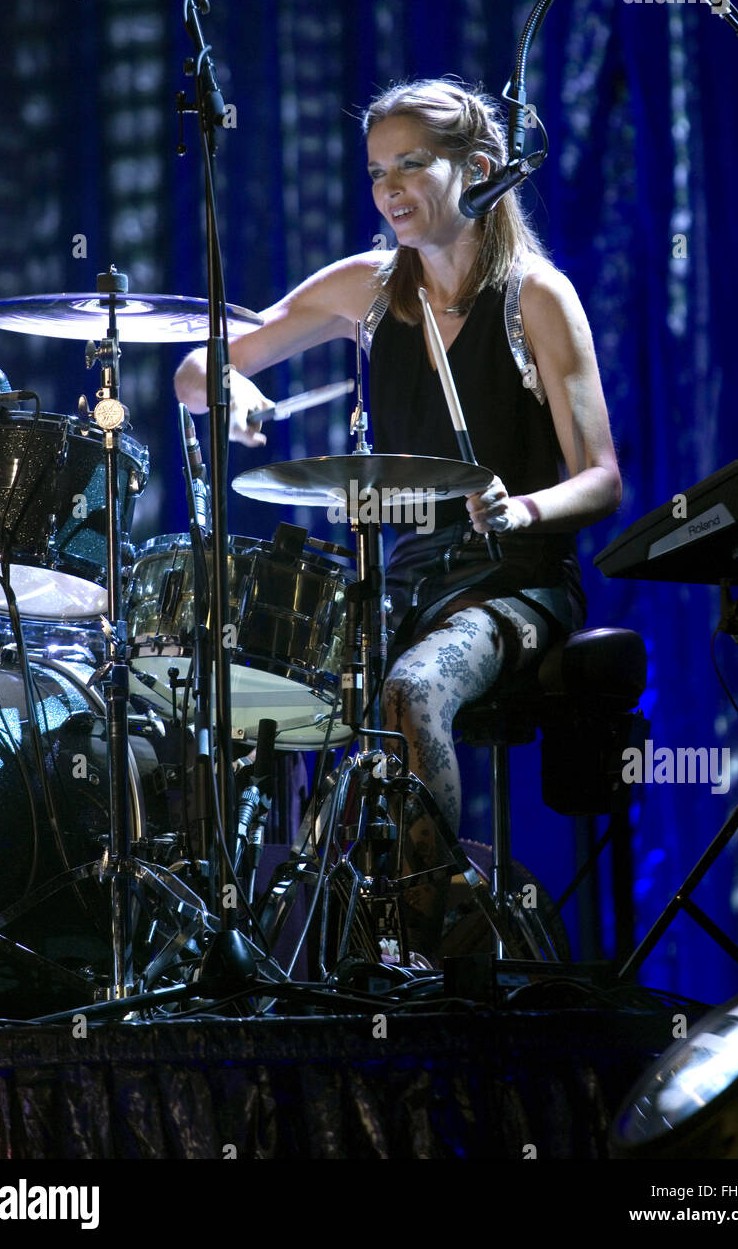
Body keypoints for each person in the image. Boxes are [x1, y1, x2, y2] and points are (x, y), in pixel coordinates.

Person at [175, 77, 621, 958]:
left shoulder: (537, 297)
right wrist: (229, 390)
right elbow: (201, 364)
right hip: (401, 580)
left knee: (413, 688)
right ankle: (254, 943)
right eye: (378, 169)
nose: (389, 188)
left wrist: (518, 506)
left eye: (412, 164)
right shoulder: (367, 289)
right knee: (244, 685)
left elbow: (602, 481)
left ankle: (415, 940)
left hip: (513, 587)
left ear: (481, 169)